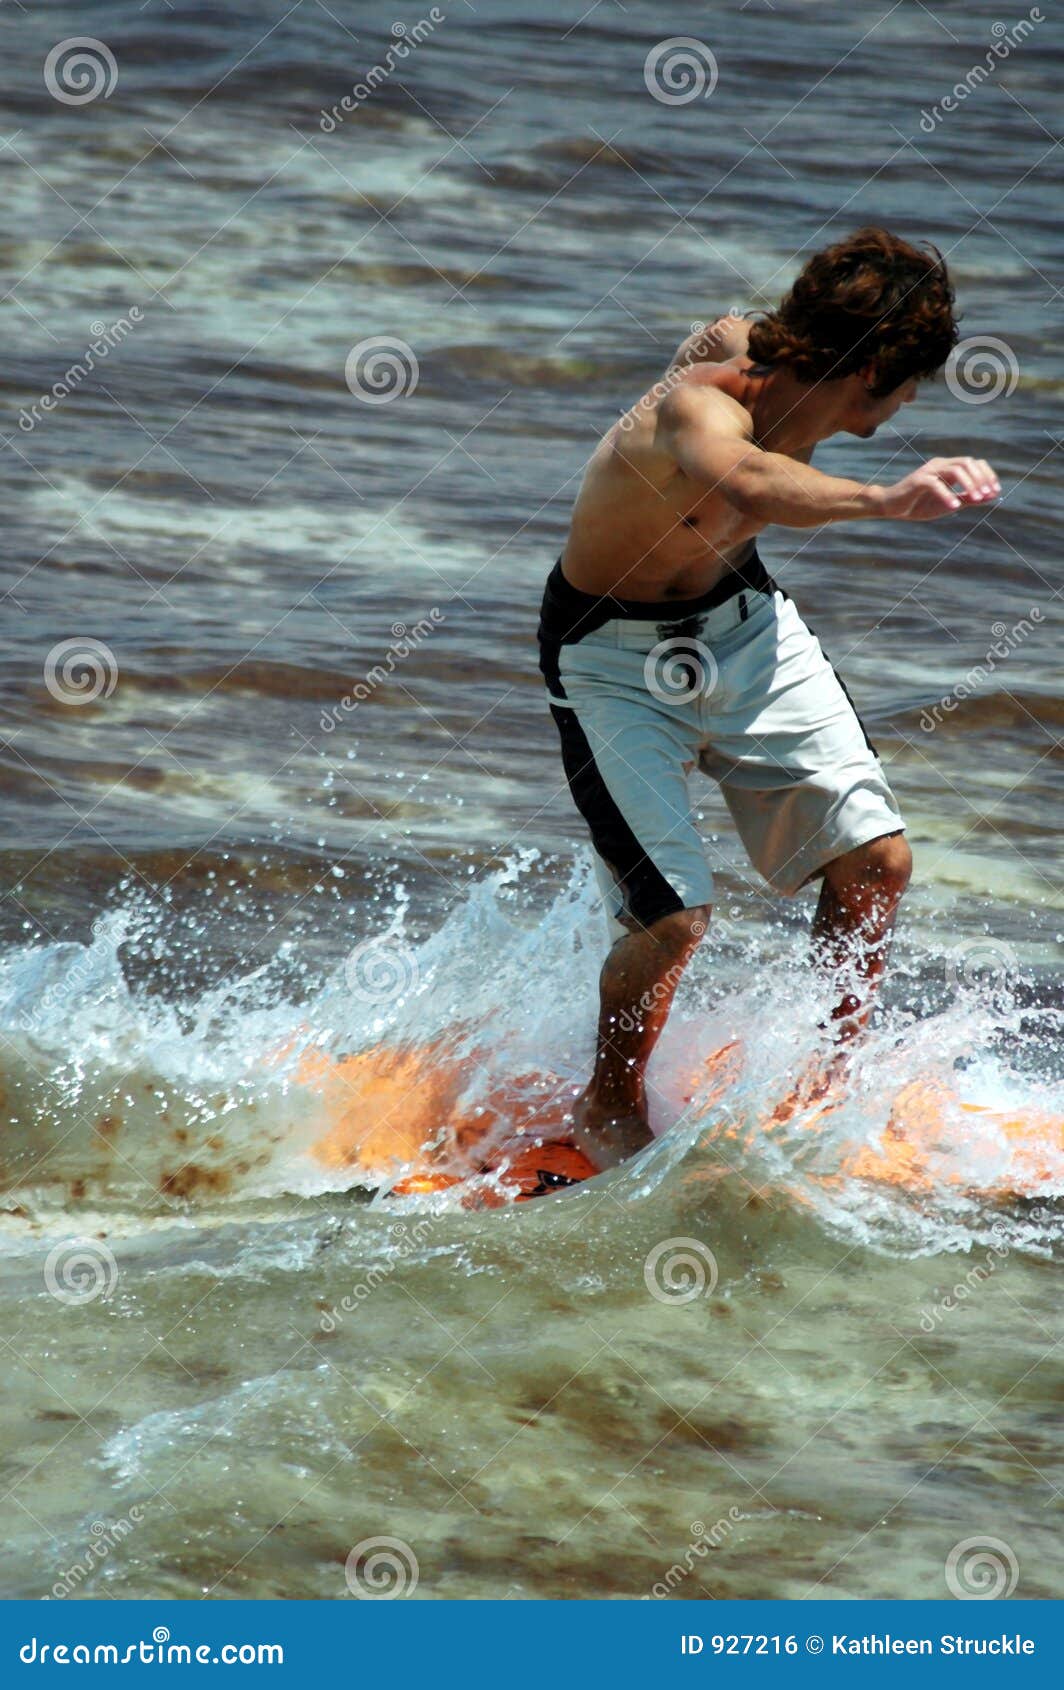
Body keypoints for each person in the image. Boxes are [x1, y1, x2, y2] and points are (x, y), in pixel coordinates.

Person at [537, 227, 1000, 1170]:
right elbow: (744, 473)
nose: (910, 403)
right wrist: (884, 500)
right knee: (671, 918)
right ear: (872, 367)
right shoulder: (700, 406)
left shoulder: (777, 359)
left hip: (742, 624)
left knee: (876, 862)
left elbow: (740, 394)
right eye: (911, 381)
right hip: (609, 655)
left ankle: (822, 1099)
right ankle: (608, 1107)